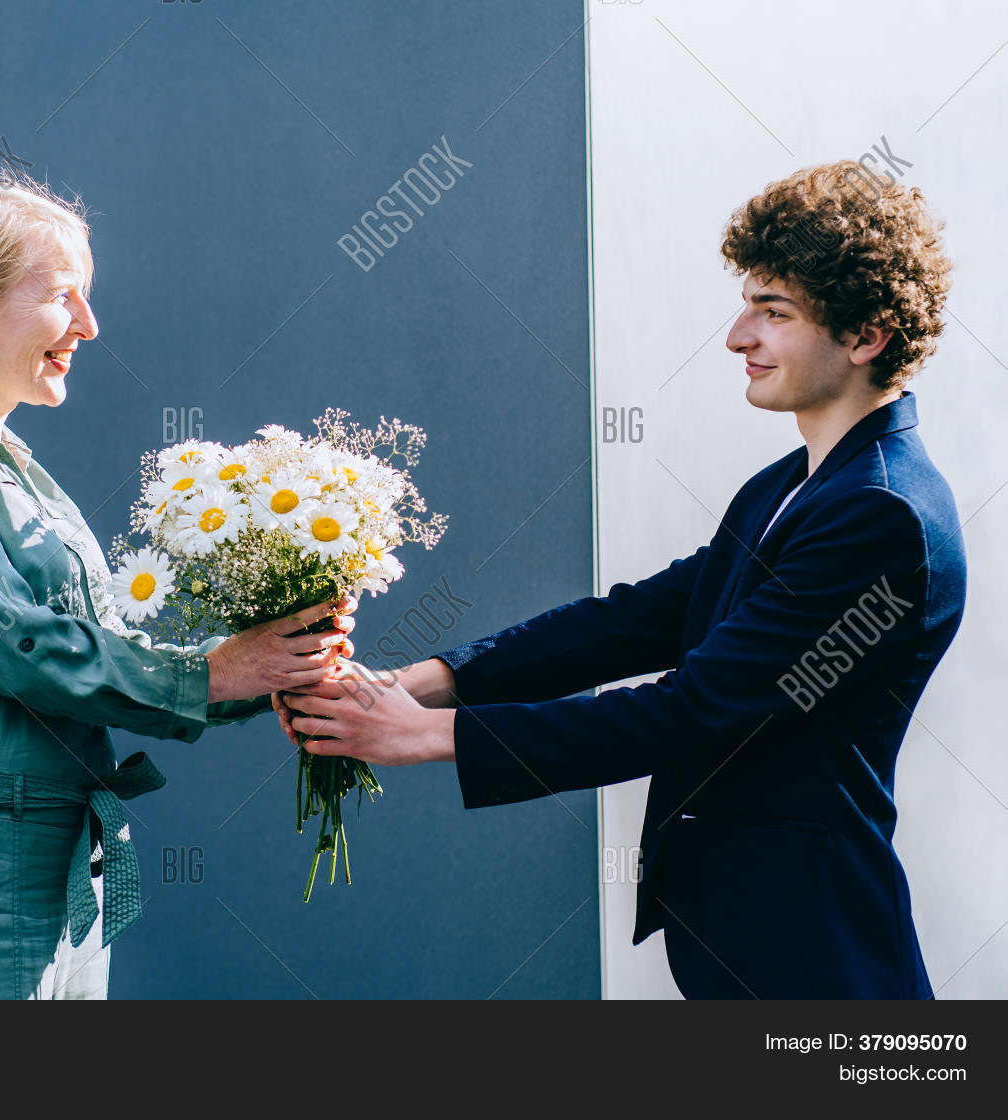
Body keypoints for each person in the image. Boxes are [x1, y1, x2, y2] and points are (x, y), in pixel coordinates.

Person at [277, 158, 964, 999]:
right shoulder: (796, 485)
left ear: (865, 336)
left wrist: (420, 738)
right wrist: (421, 686)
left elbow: (695, 709)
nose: (737, 336)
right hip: (746, 944)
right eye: (746, 303)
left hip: (818, 958)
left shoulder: (883, 517)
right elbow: (637, 621)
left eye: (772, 311)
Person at [0, 173, 356, 999]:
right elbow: (3, 637)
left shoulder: (10, 463)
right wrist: (209, 677)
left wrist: (270, 665)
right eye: (65, 296)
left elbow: (94, 650)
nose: (90, 327)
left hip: (48, 861)